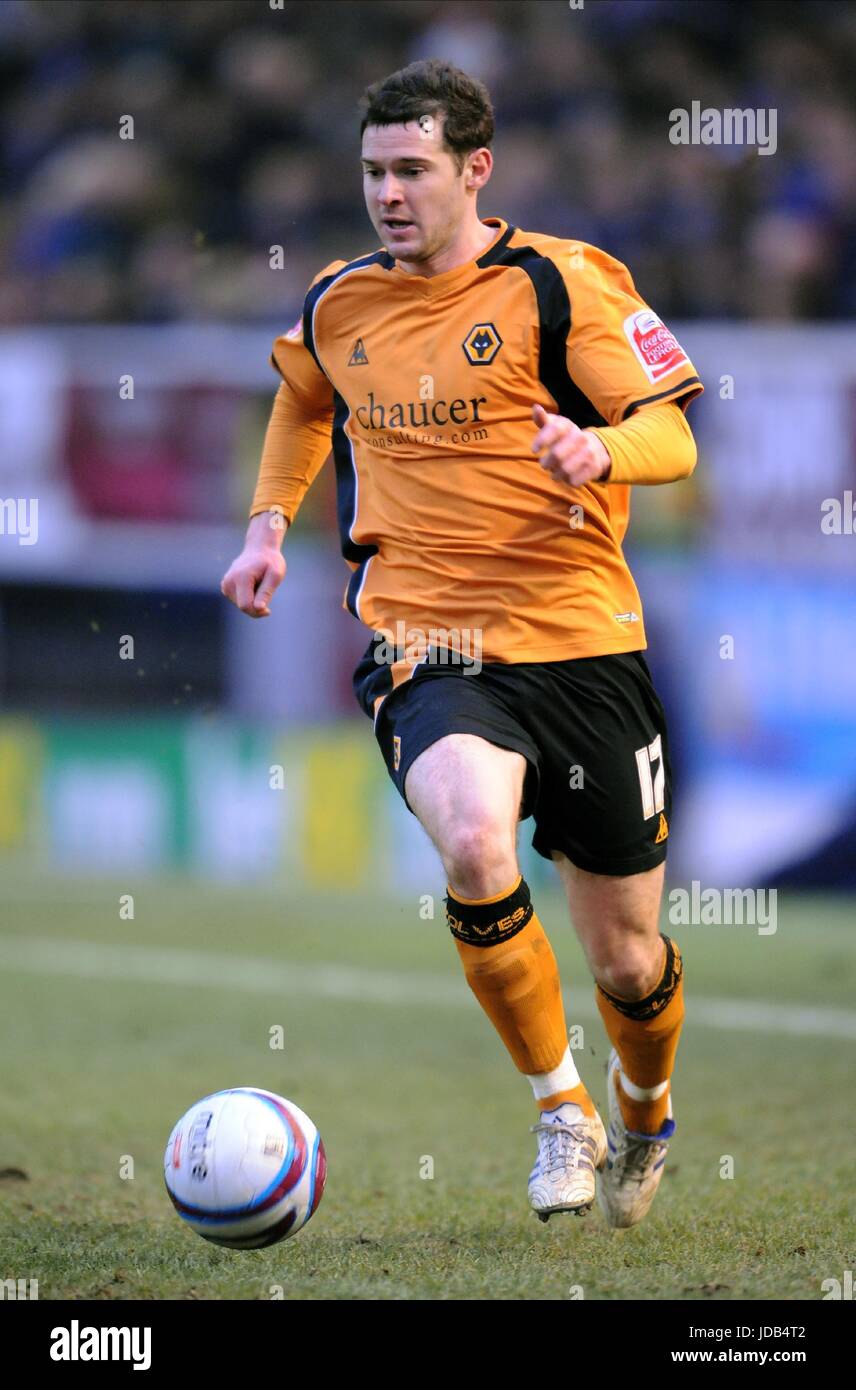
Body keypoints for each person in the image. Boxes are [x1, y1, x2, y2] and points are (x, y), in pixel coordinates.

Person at [221, 58, 703, 1228]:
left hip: (583, 642)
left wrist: (601, 453)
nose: (388, 193)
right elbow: (303, 398)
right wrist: (267, 526)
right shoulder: (339, 300)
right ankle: (559, 1109)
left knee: (629, 961)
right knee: (478, 845)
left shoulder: (561, 285)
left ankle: (644, 1112)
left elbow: (671, 429)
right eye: (374, 171)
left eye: (412, 170)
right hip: (425, 636)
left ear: (474, 170)